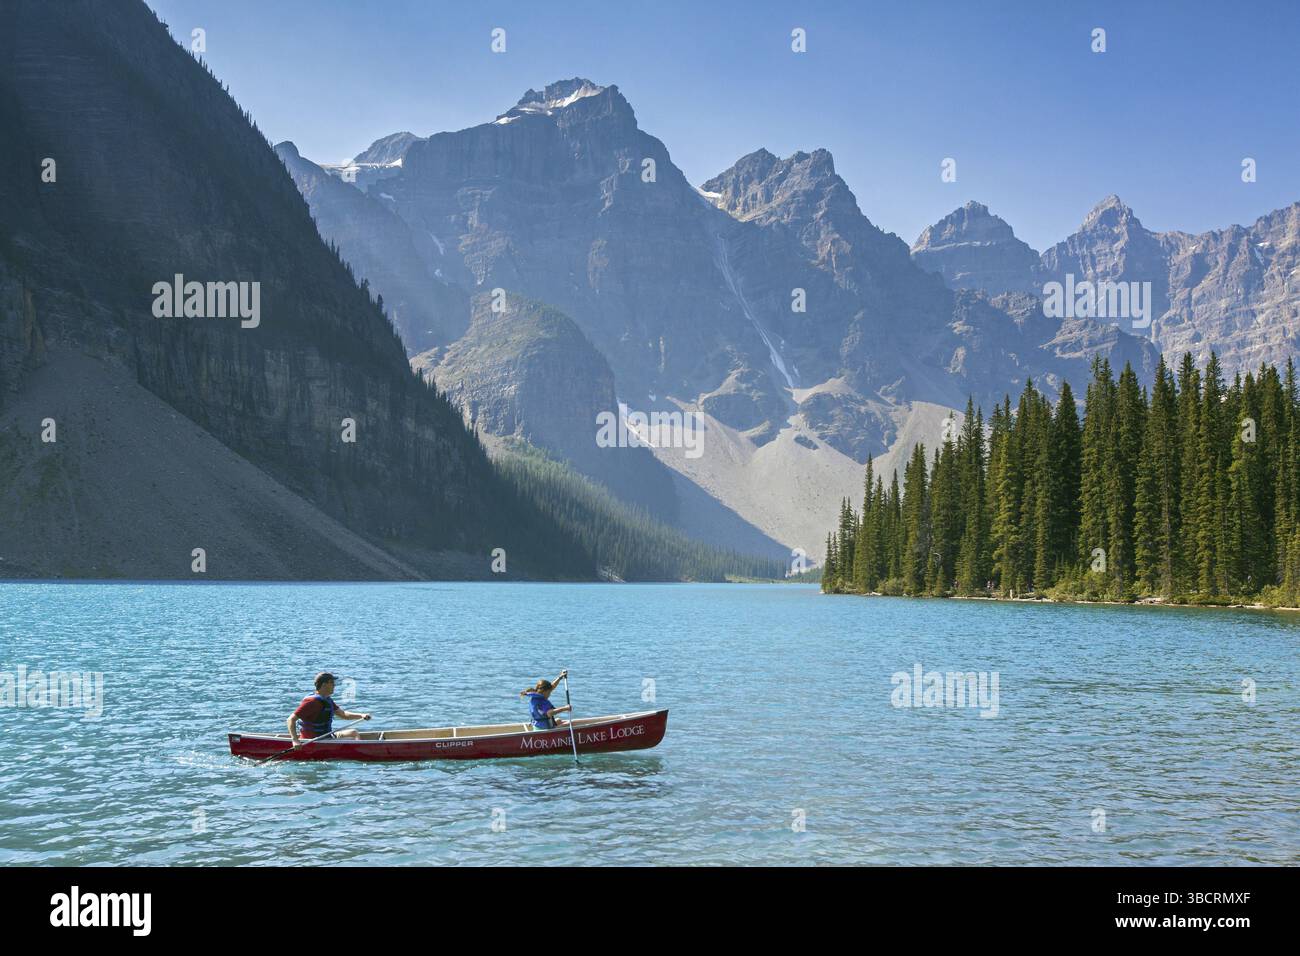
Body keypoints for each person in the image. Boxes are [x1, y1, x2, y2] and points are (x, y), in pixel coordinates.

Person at [288, 672, 370, 747]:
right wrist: (295, 740)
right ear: (324, 685)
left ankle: (358, 751)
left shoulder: (327, 700)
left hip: (326, 736)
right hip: (315, 740)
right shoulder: (311, 702)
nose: (334, 685)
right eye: (332, 683)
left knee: (353, 733)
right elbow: (290, 719)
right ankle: (360, 752)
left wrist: (361, 716)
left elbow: (343, 714)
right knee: (353, 736)